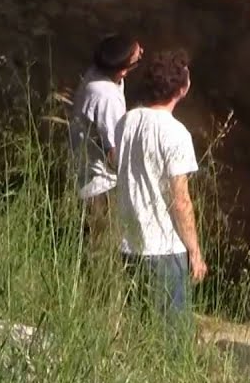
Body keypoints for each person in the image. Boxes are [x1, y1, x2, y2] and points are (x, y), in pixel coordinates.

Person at [113, 49, 206, 329]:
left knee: (139, 330)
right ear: (181, 89)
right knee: (172, 336)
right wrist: (195, 251)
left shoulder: (126, 122)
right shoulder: (176, 134)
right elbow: (180, 201)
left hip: (129, 242)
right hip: (164, 248)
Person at [68, 33, 142, 244]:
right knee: (99, 252)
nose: (142, 54)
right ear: (123, 70)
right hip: (101, 189)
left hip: (90, 181)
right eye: (138, 58)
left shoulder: (98, 73)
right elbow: (114, 154)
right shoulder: (106, 97)